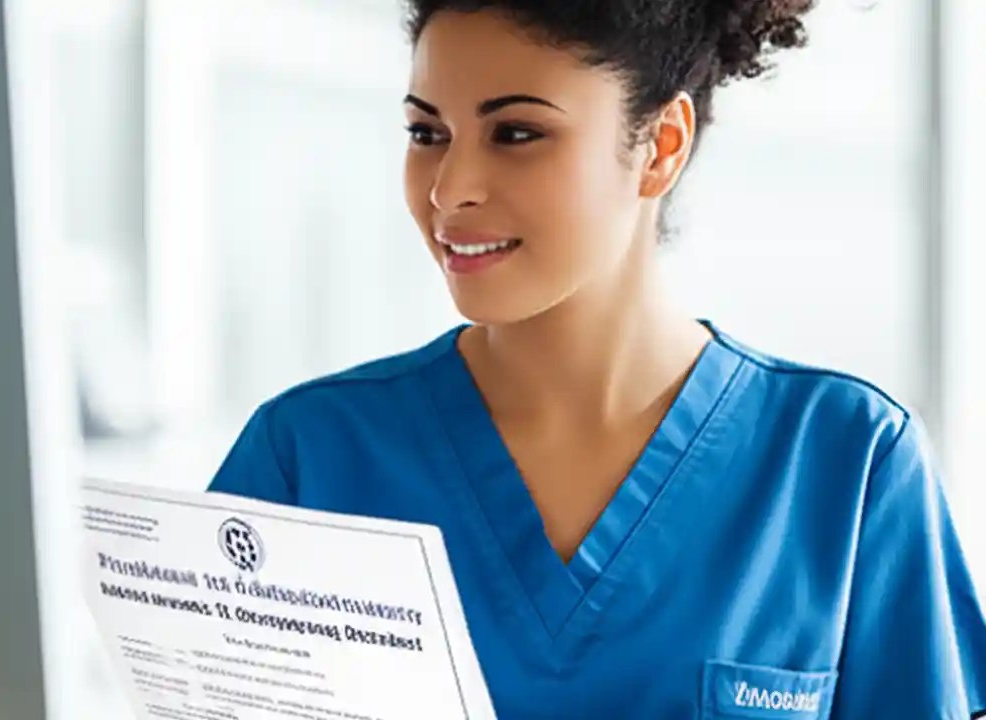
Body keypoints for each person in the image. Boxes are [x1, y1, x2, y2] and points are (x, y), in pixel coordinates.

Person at [207, 1, 986, 717]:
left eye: (515, 133)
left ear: (659, 147)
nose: (449, 191)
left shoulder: (848, 464)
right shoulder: (306, 461)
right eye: (427, 133)